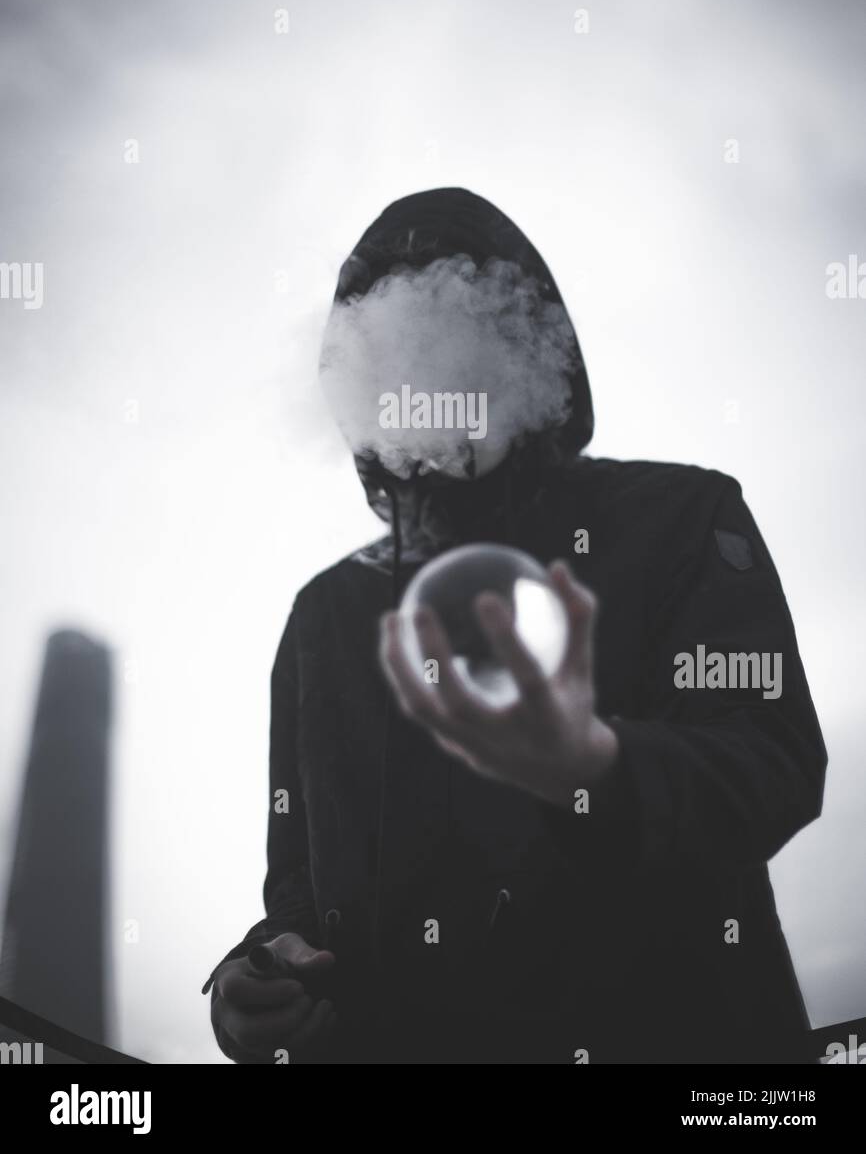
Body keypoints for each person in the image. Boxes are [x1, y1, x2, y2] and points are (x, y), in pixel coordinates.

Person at [203, 187, 827, 1064]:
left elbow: (773, 760)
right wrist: (255, 979)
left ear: (532, 349)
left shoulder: (678, 517)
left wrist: (593, 766)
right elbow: (302, 891)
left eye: (458, 328)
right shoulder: (327, 615)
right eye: (394, 345)